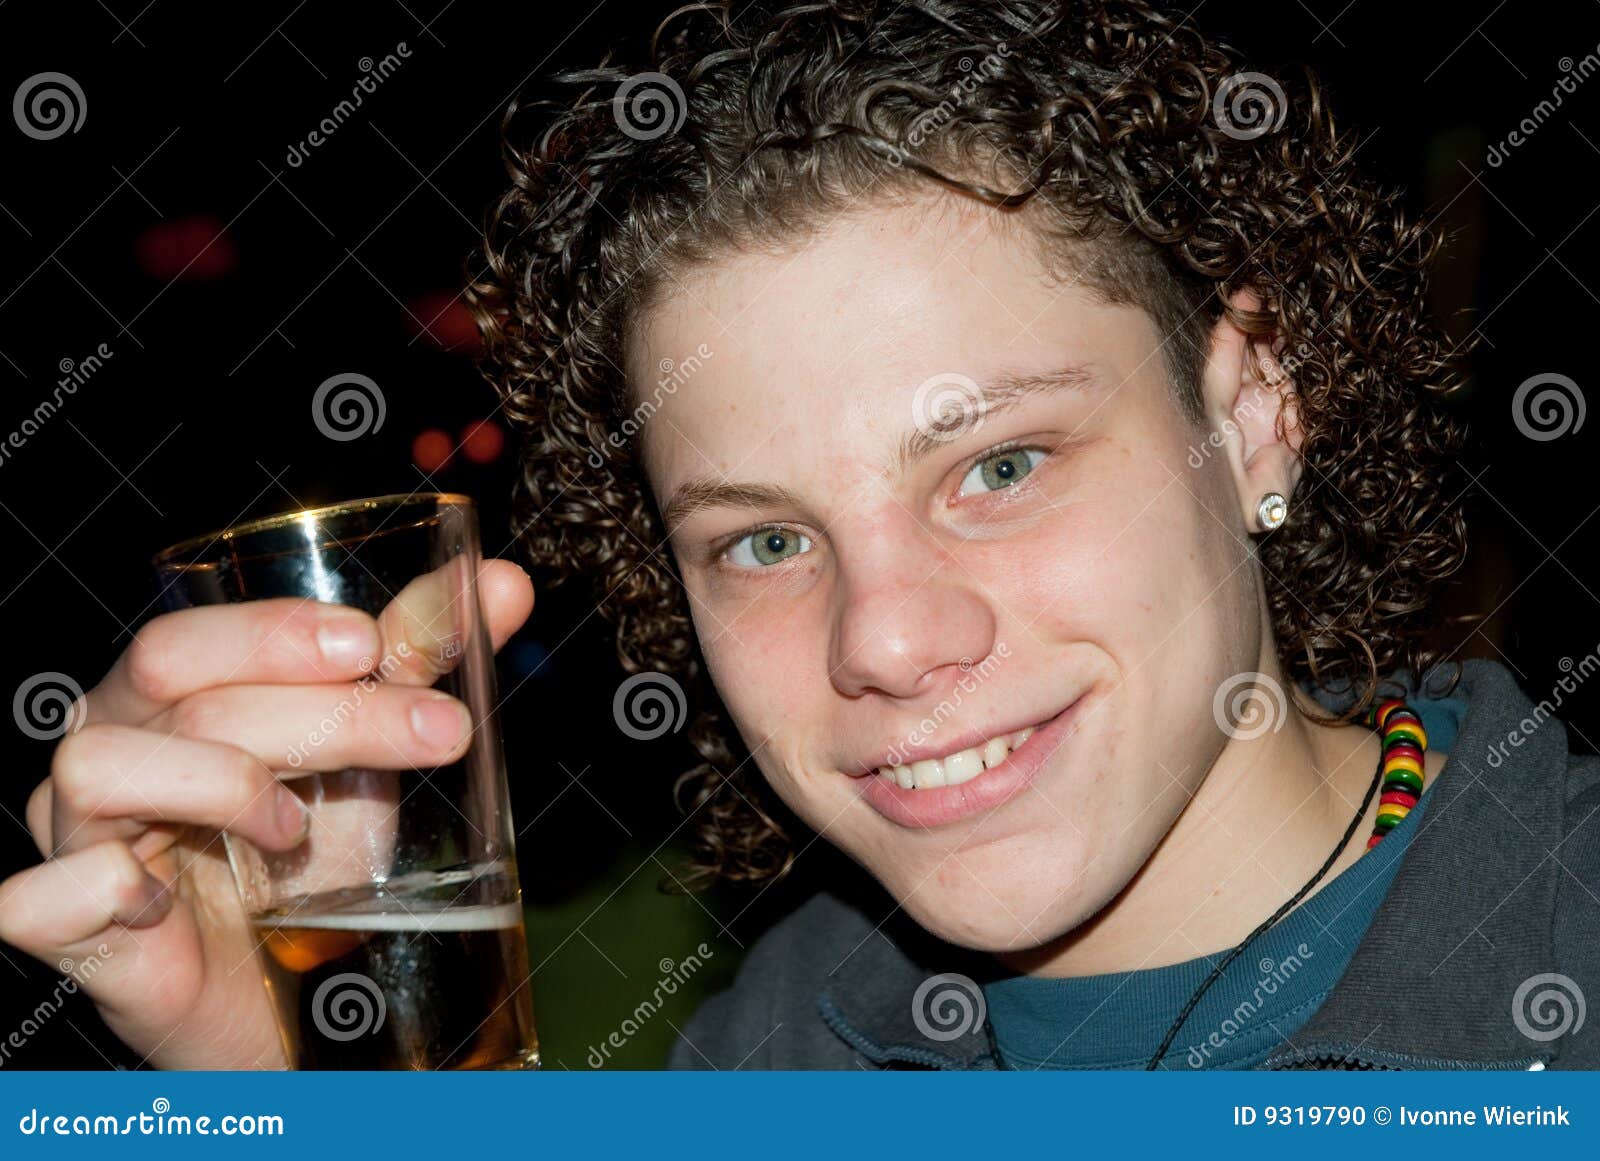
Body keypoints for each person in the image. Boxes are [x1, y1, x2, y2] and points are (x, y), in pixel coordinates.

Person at [1, 0, 1595, 1070]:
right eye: (764, 542)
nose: (884, 640)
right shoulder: (786, 1037)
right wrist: (276, 1086)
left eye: (999, 463)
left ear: (1248, 414)